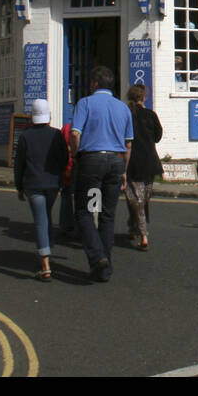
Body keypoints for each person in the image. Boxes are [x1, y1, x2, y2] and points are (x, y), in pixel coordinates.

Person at [69, 65, 134, 282]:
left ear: (95, 84)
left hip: (92, 162)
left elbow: (75, 134)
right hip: (115, 162)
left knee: (85, 211)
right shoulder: (123, 108)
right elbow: (128, 145)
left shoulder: (85, 103)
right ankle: (105, 265)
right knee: (107, 214)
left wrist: (75, 154)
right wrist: (124, 171)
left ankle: (98, 258)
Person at [13, 99, 68, 281]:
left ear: (32, 117)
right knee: (47, 216)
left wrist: (19, 186)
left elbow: (19, 164)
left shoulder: (25, 136)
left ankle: (45, 265)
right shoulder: (57, 134)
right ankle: (48, 248)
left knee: (40, 220)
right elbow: (64, 158)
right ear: (49, 116)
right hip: (53, 183)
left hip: (33, 184)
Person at [124, 84, 163, 251]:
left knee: (136, 199)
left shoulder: (127, 114)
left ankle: (142, 232)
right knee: (144, 198)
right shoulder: (150, 115)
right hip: (150, 161)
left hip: (133, 161)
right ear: (143, 97)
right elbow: (158, 136)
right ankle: (136, 229)